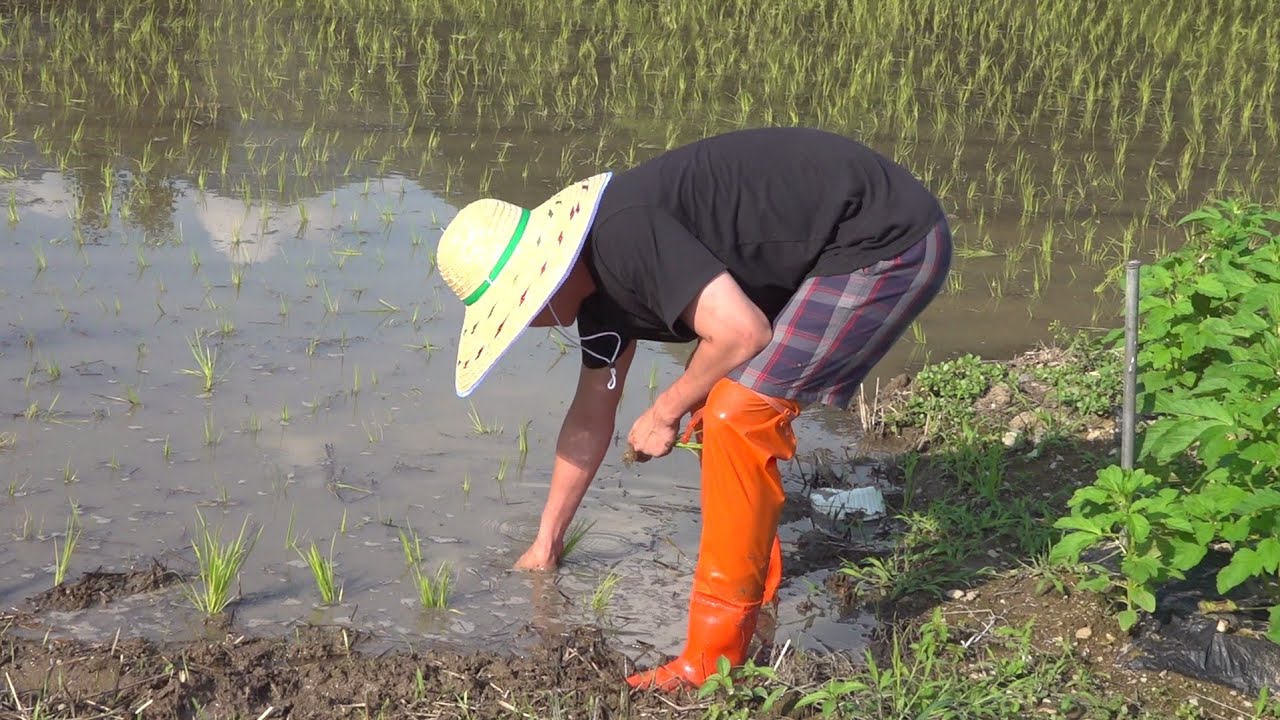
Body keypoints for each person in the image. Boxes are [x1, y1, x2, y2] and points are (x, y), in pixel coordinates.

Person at [435, 127, 952, 692]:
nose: (525, 325)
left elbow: (742, 332)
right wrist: (546, 542)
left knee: (736, 415)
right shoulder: (598, 296)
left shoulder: (623, 236)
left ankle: (712, 660)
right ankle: (759, 589)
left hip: (887, 241)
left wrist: (665, 410)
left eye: (516, 310)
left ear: (540, 277)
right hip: (829, 248)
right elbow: (589, 416)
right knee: (715, 409)